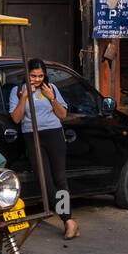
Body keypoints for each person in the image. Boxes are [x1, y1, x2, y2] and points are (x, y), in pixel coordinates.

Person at [9, 58, 78, 240]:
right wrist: (24, 97)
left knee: (60, 179)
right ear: (26, 74)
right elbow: (16, 119)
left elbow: (62, 115)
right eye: (33, 75)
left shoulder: (51, 89)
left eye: (40, 76)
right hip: (32, 136)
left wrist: (52, 98)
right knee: (45, 181)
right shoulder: (17, 91)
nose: (37, 79)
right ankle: (68, 219)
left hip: (54, 134)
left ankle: (68, 220)